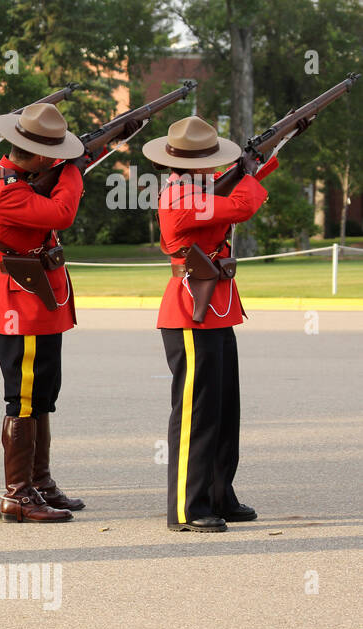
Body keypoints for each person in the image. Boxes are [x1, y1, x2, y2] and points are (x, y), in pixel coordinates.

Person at [143, 116, 274, 533]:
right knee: (196, 415)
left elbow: (236, 188)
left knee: (223, 408)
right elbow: (241, 204)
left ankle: (218, 493)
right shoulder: (180, 195)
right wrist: (249, 174)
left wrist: (260, 160)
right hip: (189, 312)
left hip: (215, 307)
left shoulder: (197, 187)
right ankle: (188, 505)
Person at [0, 102, 91, 523]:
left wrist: (66, 170)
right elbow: (63, 213)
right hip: (21, 306)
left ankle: (39, 483)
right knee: (22, 401)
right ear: (43, 156)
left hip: (38, 302)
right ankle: (17, 494)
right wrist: (74, 171)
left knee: (42, 397)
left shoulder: (25, 180)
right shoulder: (6, 191)